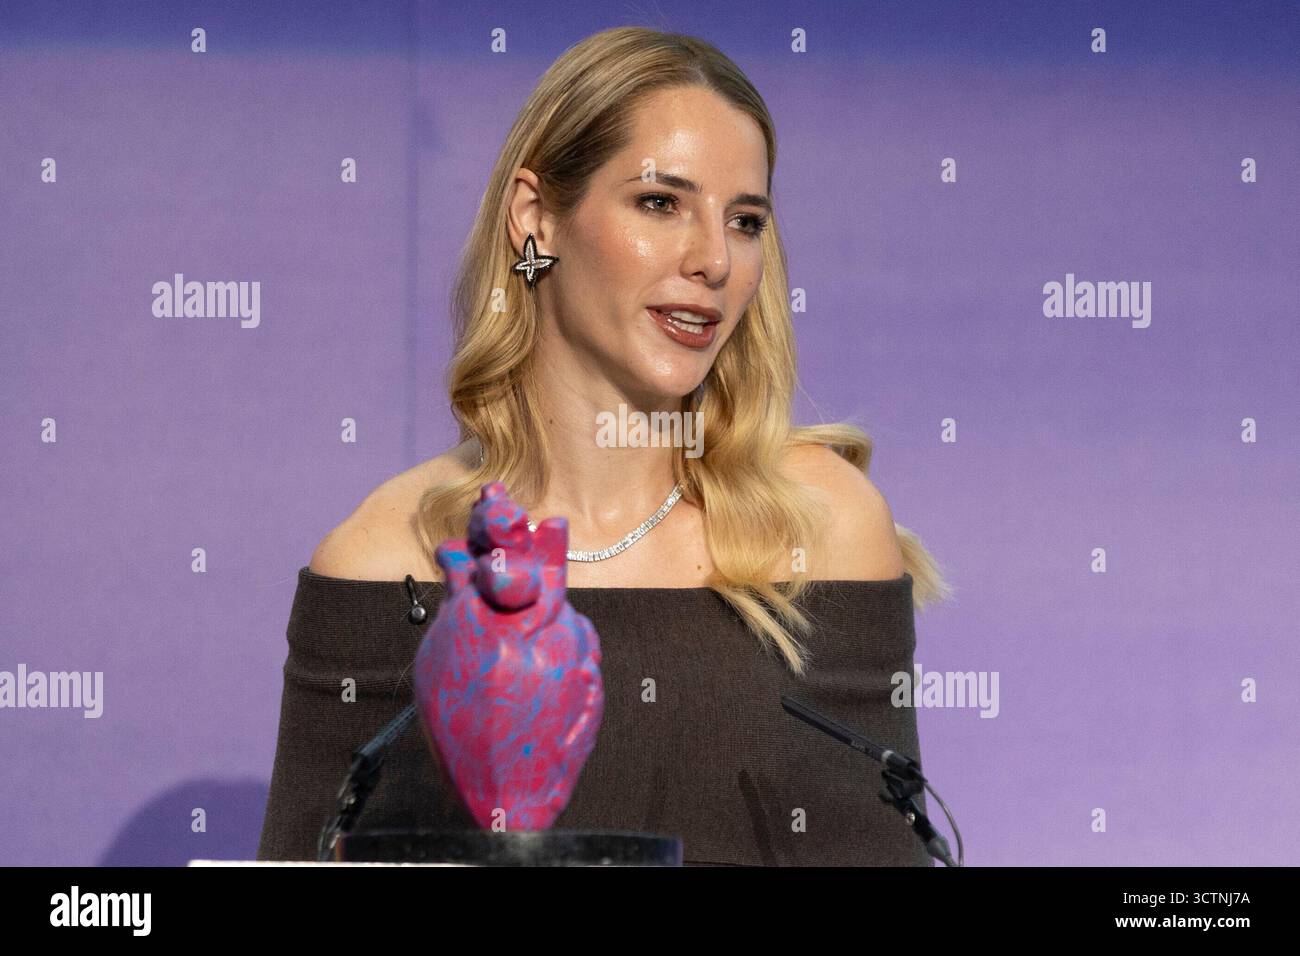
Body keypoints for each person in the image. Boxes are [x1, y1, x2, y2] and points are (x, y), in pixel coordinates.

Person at [258, 26, 951, 866]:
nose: (713, 260)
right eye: (660, 203)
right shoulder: (386, 555)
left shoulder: (820, 525)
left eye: (744, 220)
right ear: (535, 218)